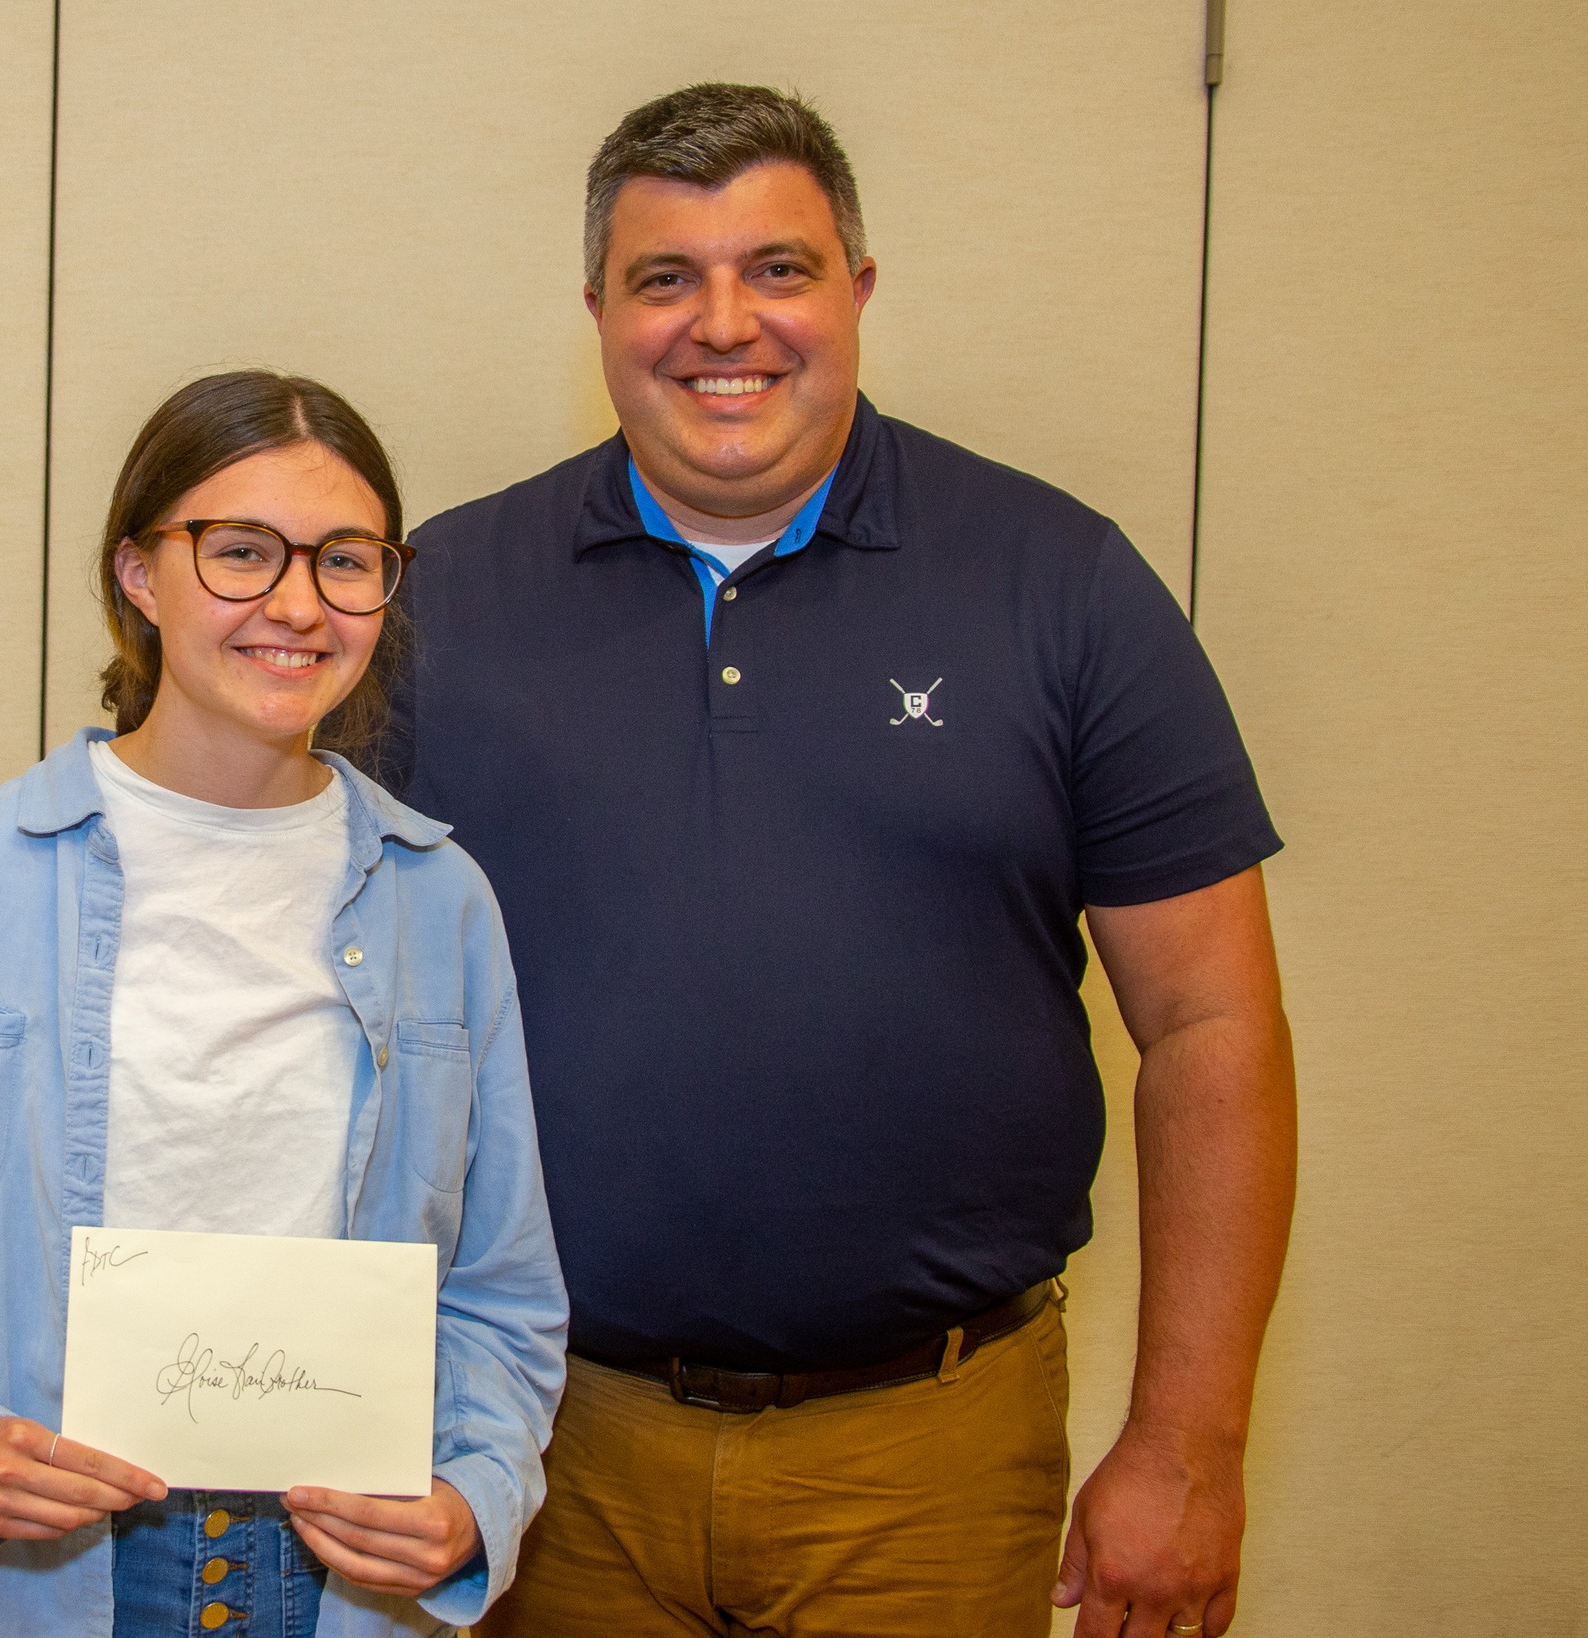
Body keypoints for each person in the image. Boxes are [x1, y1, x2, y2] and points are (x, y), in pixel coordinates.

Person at [390, 85, 1296, 1638]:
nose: (722, 323)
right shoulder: (434, 601)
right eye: (665, 277)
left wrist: (1191, 1445)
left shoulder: (1059, 583)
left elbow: (1213, 1029)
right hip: (539, 1441)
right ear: (597, 309)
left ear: (858, 293)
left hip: (928, 1454)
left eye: (780, 269)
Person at [0, 371, 568, 1638]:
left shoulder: (439, 903)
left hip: (343, 1582)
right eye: (239, 552)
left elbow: (502, 1297)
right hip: (59, 1571)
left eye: (344, 561)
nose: (297, 604)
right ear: (138, 573)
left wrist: (473, 1490)